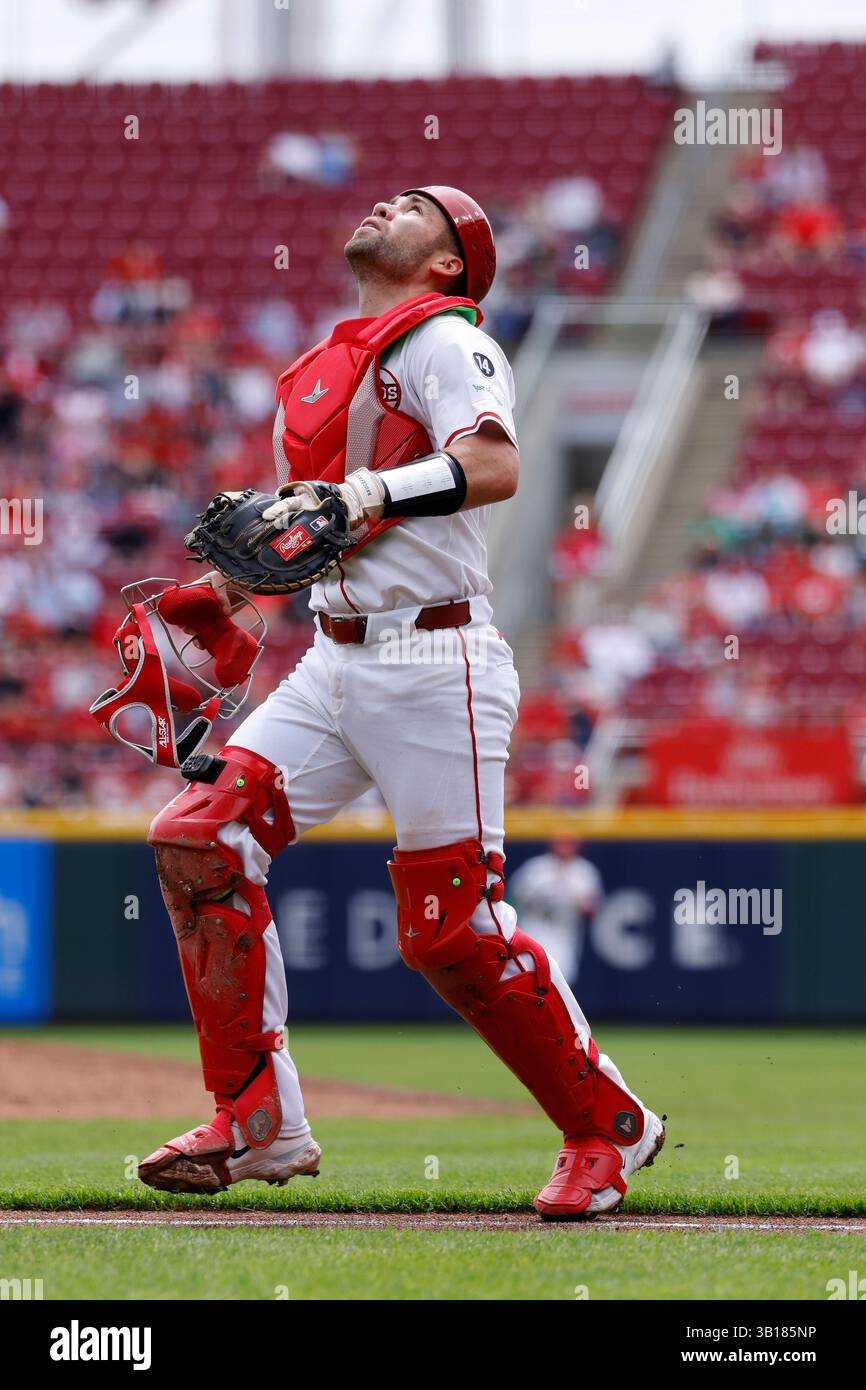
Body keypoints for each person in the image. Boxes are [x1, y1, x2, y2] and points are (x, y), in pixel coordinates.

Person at [138, 185, 664, 1220]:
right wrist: (227, 595)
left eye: (418, 205)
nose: (389, 202)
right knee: (199, 836)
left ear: (448, 264)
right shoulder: (337, 367)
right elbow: (318, 534)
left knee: (448, 928)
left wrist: (365, 495)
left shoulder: (439, 339)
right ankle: (257, 1120)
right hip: (334, 658)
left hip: (436, 657)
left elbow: (494, 461)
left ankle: (608, 1125)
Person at [508, 836, 602, 984]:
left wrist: (575, 898)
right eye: (561, 844)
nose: (564, 849)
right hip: (535, 927)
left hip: (563, 930)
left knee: (561, 976)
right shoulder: (537, 867)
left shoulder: (584, 871)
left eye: (568, 844)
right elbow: (514, 896)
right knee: (530, 973)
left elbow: (591, 909)